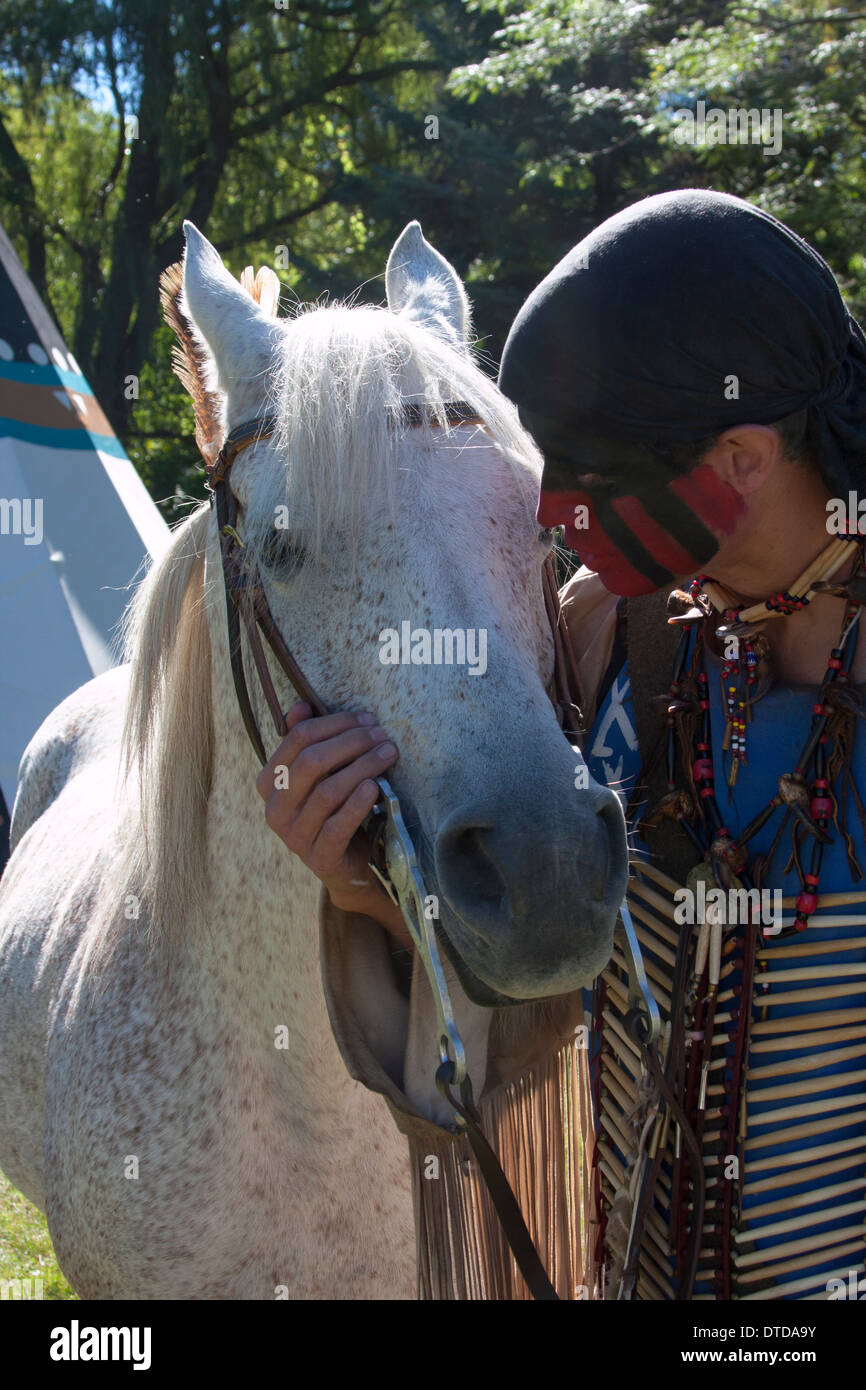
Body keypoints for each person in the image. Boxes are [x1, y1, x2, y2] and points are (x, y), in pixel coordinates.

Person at [256, 189, 866, 1300]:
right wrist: (366, 887)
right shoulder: (607, 634)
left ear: (737, 455)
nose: (561, 521)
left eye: (589, 481)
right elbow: (542, 987)